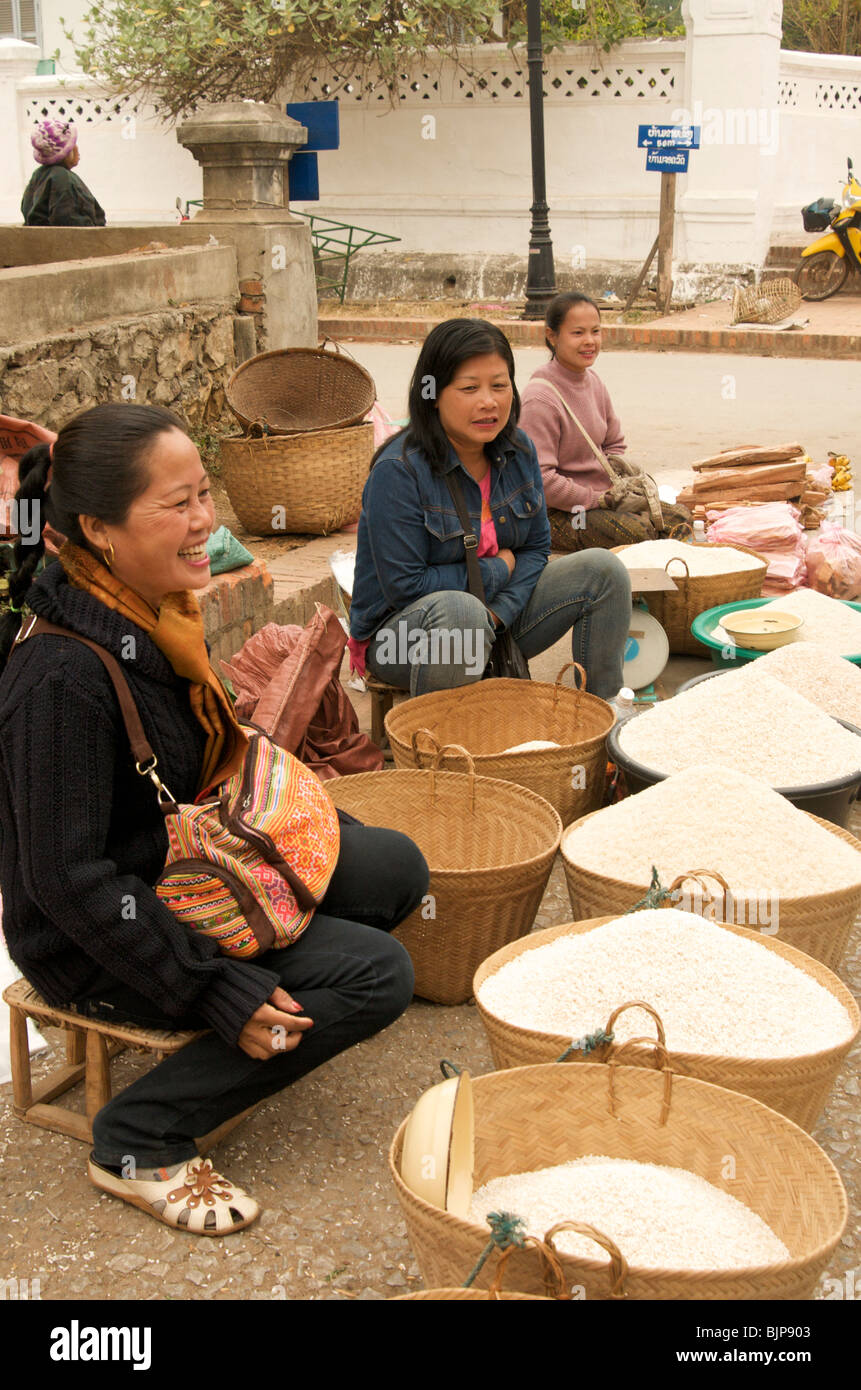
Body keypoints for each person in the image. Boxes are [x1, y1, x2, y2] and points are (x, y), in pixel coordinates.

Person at [0, 403, 427, 1236]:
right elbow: (68, 882)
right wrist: (211, 985)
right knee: (376, 976)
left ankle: (284, 989)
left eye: (205, 494)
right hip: (94, 938)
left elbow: (197, 779)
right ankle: (138, 1136)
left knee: (394, 868)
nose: (206, 523)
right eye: (178, 504)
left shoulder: (155, 617)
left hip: (181, 866)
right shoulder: (60, 679)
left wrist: (295, 832)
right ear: (99, 530)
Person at [348, 318, 631, 700]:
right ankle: (442, 735)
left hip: (495, 619)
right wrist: (498, 569)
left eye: (499, 386)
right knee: (460, 613)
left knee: (603, 570)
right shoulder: (398, 472)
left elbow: (535, 548)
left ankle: (604, 713)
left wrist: (498, 612)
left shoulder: (518, 449)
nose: (489, 402)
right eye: (469, 388)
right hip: (400, 640)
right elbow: (406, 587)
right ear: (433, 394)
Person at [519, 291, 691, 552]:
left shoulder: (594, 382)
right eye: (578, 333)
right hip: (557, 512)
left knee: (680, 517)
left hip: (605, 499)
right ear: (552, 336)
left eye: (595, 331)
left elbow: (614, 446)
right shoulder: (540, 398)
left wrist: (618, 492)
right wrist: (597, 499)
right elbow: (541, 480)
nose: (589, 341)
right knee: (638, 533)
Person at [21, 119, 106, 227]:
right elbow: (69, 223)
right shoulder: (62, 178)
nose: (76, 148)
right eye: (73, 144)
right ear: (66, 152)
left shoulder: (39, 174)